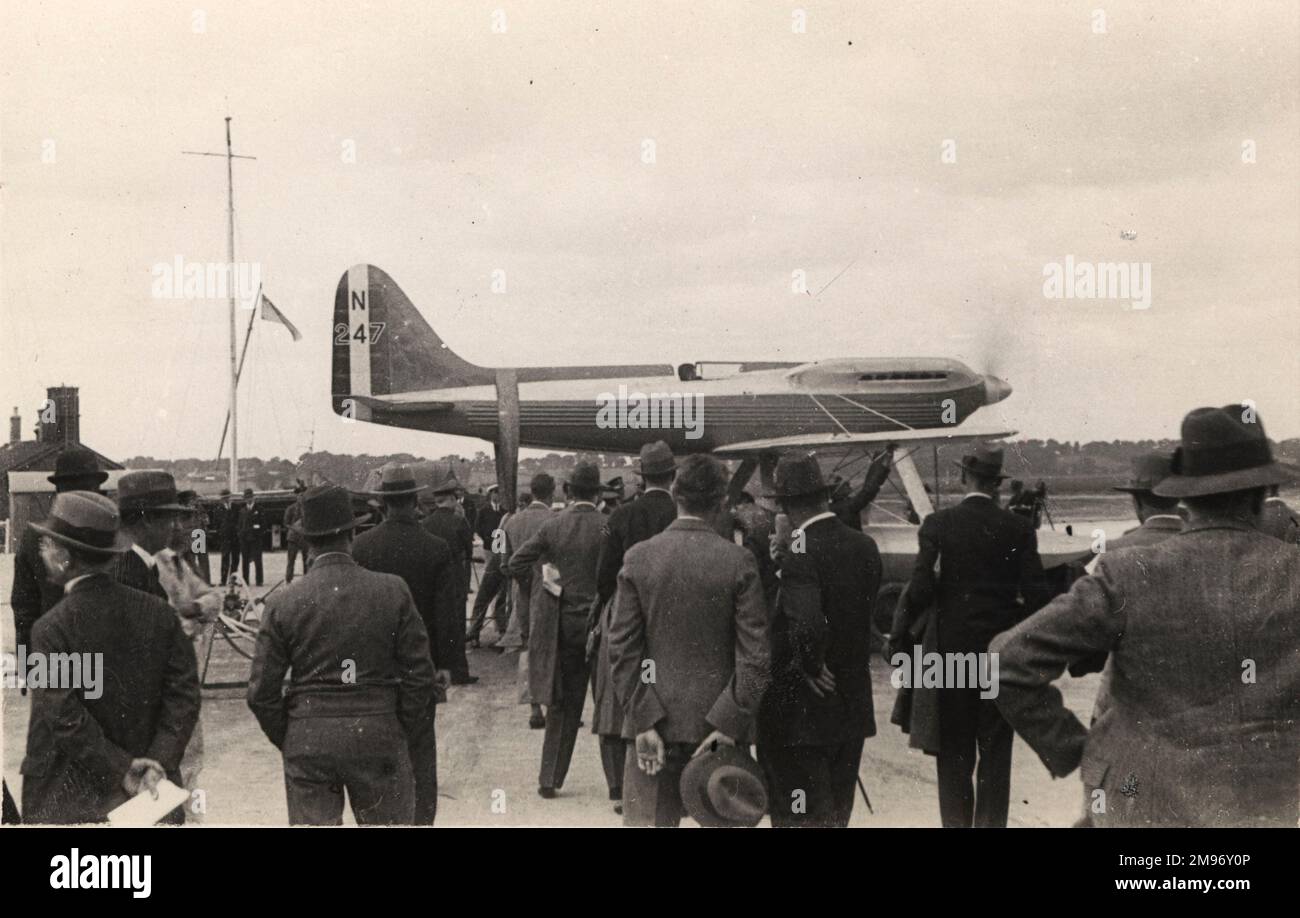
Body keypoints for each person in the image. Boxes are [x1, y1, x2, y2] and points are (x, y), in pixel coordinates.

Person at [992, 405, 1300, 827]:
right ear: (1261, 494)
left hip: (1144, 804)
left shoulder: (1127, 572)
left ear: (1186, 496)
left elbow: (1006, 661)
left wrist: (1074, 749)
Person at [247, 485, 435, 825]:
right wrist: (396, 725)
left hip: (309, 736)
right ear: (352, 533)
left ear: (306, 540)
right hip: (378, 731)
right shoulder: (393, 590)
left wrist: (292, 733)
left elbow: (261, 693)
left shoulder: (282, 603)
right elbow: (420, 677)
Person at [606, 454, 771, 827]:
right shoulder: (739, 561)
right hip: (719, 732)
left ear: (676, 495)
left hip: (653, 728)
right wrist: (728, 724)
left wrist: (644, 721)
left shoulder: (638, 558)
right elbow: (757, 659)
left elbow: (621, 650)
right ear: (721, 501)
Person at [21, 492, 200, 824]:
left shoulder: (49, 628)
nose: (43, 553)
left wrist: (122, 769)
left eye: (47, 546)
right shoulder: (160, 613)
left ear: (64, 556)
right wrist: (157, 763)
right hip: (154, 798)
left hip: (71, 797)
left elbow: (62, 715)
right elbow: (184, 697)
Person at [899, 444, 1050, 828]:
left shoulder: (937, 524)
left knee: (953, 757)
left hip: (949, 660)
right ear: (997, 484)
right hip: (999, 659)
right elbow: (1037, 597)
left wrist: (902, 634)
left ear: (964, 477)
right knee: (996, 756)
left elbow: (918, 591)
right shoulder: (1018, 528)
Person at [757, 452, 881, 827]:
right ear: (824, 497)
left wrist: (808, 663)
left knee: (799, 816)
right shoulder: (865, 547)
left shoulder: (799, 549)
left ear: (788, 506)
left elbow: (807, 622)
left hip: (802, 715)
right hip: (851, 709)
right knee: (835, 815)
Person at [352, 465, 457, 825]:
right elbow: (448, 612)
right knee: (421, 754)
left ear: (382, 504)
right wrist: (446, 665)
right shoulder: (437, 548)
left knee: (379, 754)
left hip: (374, 669)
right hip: (420, 668)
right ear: (415, 500)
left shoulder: (361, 547)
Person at [504, 462, 606, 798]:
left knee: (562, 705)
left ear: (568, 491)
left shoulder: (553, 526)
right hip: (602, 624)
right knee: (608, 702)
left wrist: (549, 583)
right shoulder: (609, 526)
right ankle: (618, 787)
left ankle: (549, 779)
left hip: (564, 624)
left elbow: (516, 562)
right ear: (598, 493)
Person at [587, 441, 678, 813]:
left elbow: (604, 576)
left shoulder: (622, 516)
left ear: (642, 476)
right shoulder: (683, 510)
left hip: (628, 612)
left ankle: (625, 789)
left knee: (621, 698)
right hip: (676, 615)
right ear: (672, 476)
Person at [11, 446, 109, 653]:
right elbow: (24, 609)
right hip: (99, 660)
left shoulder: (33, 538)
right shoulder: (112, 536)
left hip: (58, 659)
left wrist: (29, 670)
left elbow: (24, 611)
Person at [501, 474, 558, 728]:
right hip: (549, 589)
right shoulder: (556, 520)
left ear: (532, 492)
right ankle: (553, 705)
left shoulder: (511, 522)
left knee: (527, 645)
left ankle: (534, 707)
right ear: (552, 492)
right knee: (551, 646)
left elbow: (504, 562)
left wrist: (522, 580)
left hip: (521, 591)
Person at [423, 478, 476, 684]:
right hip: (454, 580)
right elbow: (469, 550)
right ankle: (460, 672)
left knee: (434, 623)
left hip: (431, 580)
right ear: (452, 500)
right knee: (457, 625)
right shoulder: (459, 521)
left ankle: (435, 668)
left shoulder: (426, 523)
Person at [112, 470, 188, 600]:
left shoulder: (136, 564)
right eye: (171, 519)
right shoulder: (129, 575)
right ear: (148, 519)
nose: (178, 527)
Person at [828, 445, 895, 530]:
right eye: (846, 485)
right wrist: (886, 459)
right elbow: (870, 489)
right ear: (836, 491)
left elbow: (869, 486)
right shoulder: (848, 505)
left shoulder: (829, 506)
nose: (849, 484)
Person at [238, 488, 265, 587]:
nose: (248, 499)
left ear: (253, 497)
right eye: (246, 498)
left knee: (258, 560)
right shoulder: (242, 510)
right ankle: (245, 580)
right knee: (245, 560)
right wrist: (240, 534)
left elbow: (263, 524)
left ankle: (259, 580)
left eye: (250, 497)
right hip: (245, 539)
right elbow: (240, 524)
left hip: (256, 539)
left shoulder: (259, 509)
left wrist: (258, 533)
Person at [283, 483, 309, 583]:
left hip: (305, 538)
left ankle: (307, 579)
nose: (301, 497)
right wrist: (295, 528)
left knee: (306, 560)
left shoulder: (308, 509)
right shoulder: (290, 509)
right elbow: (286, 523)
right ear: (296, 496)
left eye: (303, 495)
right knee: (291, 560)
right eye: (299, 495)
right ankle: (288, 579)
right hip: (293, 538)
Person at [217, 489, 241, 585]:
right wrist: (221, 535)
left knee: (235, 558)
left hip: (235, 537)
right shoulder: (218, 509)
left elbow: (239, 521)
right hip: (225, 538)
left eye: (227, 497)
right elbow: (217, 524)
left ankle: (233, 579)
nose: (226, 499)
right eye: (224, 498)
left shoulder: (236, 507)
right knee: (225, 558)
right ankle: (223, 580)